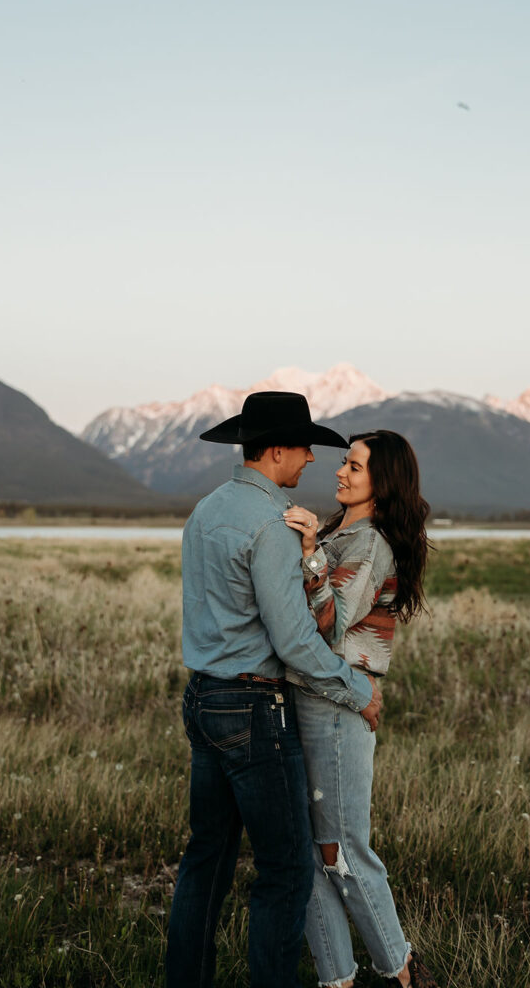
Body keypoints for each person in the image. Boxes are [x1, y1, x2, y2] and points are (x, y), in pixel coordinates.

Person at [165, 392, 383, 988]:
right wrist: (353, 687)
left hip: (202, 699)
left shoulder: (205, 510)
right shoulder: (271, 522)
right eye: (306, 448)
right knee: (286, 871)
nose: (313, 460)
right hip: (255, 710)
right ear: (279, 450)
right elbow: (292, 641)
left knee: (205, 860)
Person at [283, 430, 437, 988]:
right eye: (344, 462)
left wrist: (308, 559)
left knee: (342, 847)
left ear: (384, 480)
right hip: (307, 701)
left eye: (356, 465)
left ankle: (402, 973)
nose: (342, 472)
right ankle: (337, 979)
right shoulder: (332, 530)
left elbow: (332, 625)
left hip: (337, 709)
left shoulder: (370, 543)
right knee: (310, 854)